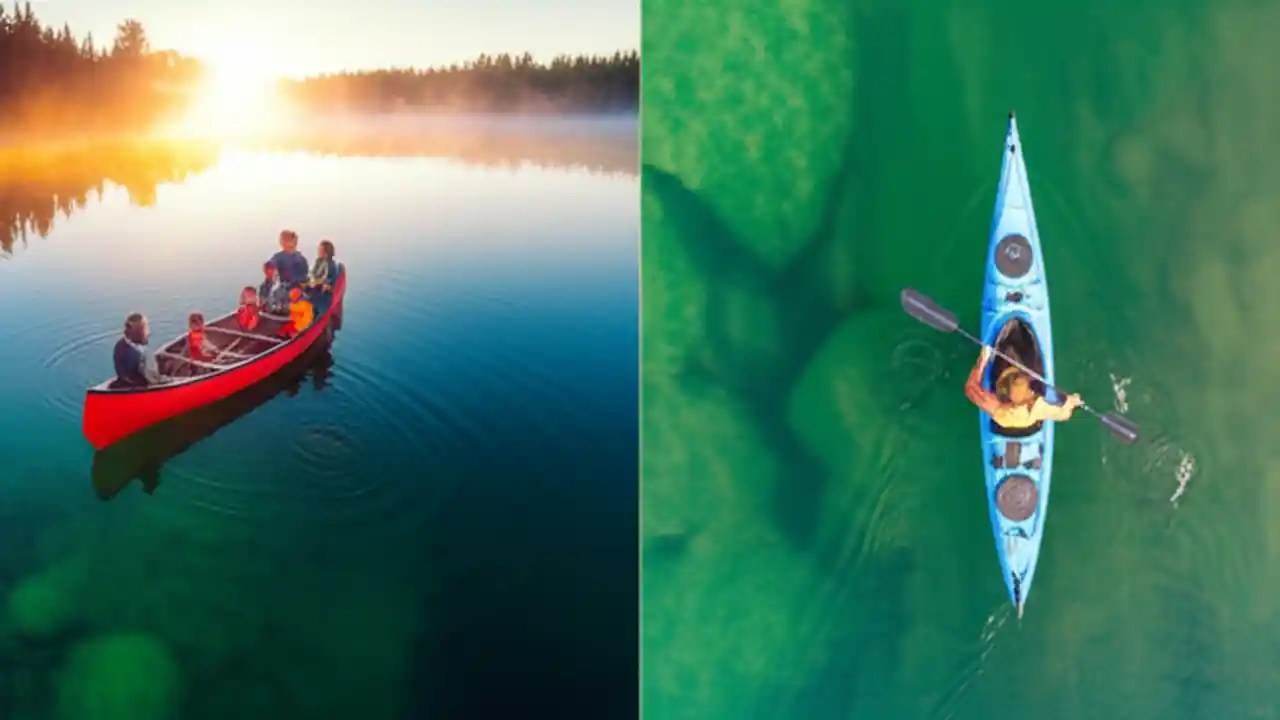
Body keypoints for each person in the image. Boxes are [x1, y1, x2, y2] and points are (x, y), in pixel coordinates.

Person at [965, 347, 1081, 428]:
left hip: (1012, 419)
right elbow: (1065, 414)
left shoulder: (1005, 413)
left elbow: (970, 388)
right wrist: (1072, 400)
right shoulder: (1046, 406)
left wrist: (982, 361)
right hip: (1031, 418)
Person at [112, 312, 164, 387]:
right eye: (145, 329)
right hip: (139, 385)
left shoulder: (119, 345)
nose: (148, 333)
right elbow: (153, 380)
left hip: (125, 381)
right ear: (138, 332)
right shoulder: (142, 355)